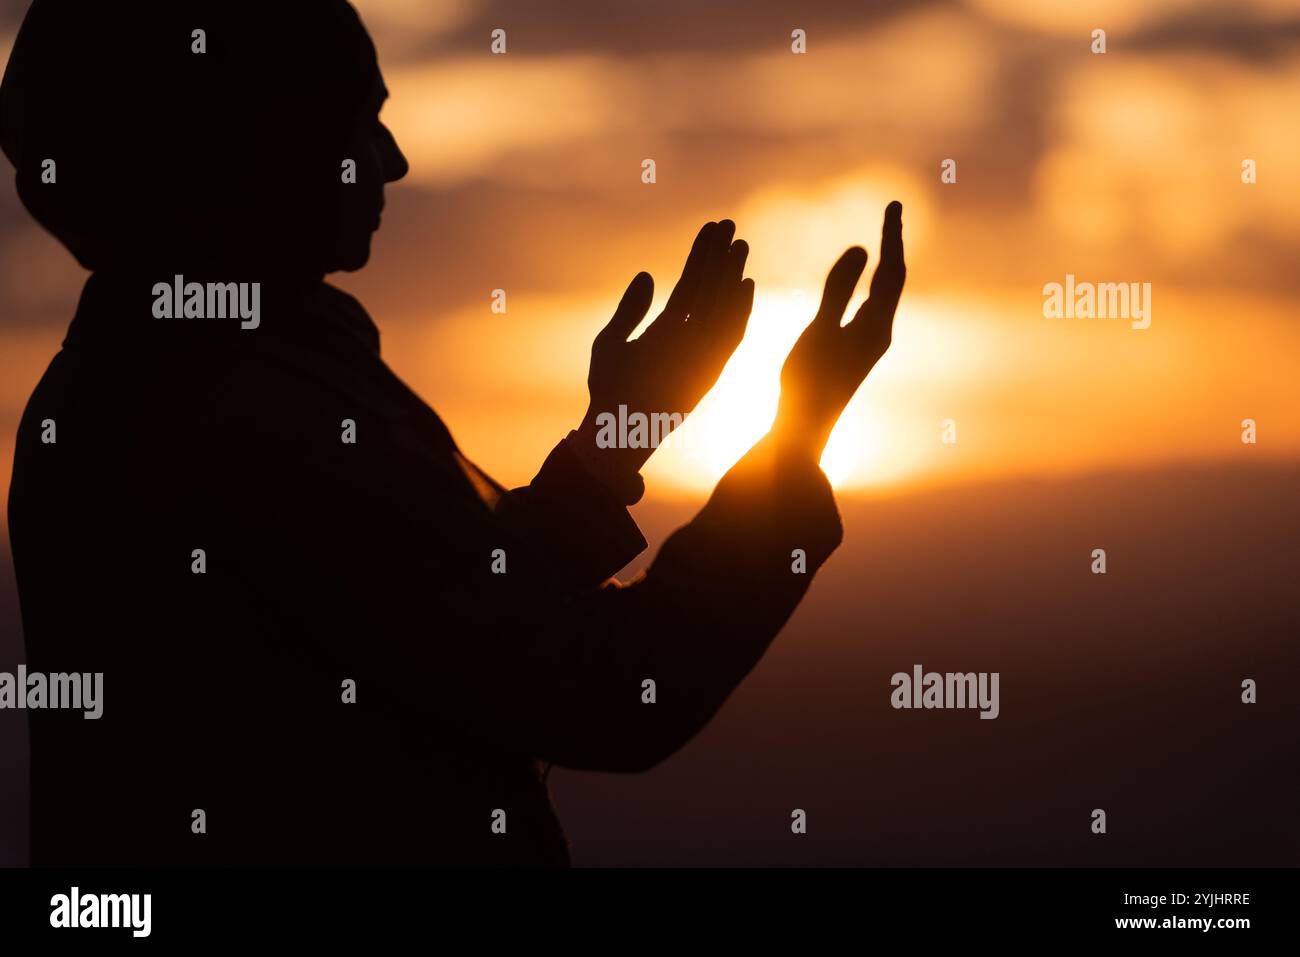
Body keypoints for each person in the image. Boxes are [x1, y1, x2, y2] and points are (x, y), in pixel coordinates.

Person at [1, 0, 905, 865]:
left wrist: (621, 434)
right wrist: (797, 438)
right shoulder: (248, 412)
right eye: (358, 123)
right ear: (251, 149)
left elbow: (464, 608)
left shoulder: (164, 368)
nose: (391, 161)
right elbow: (607, 689)